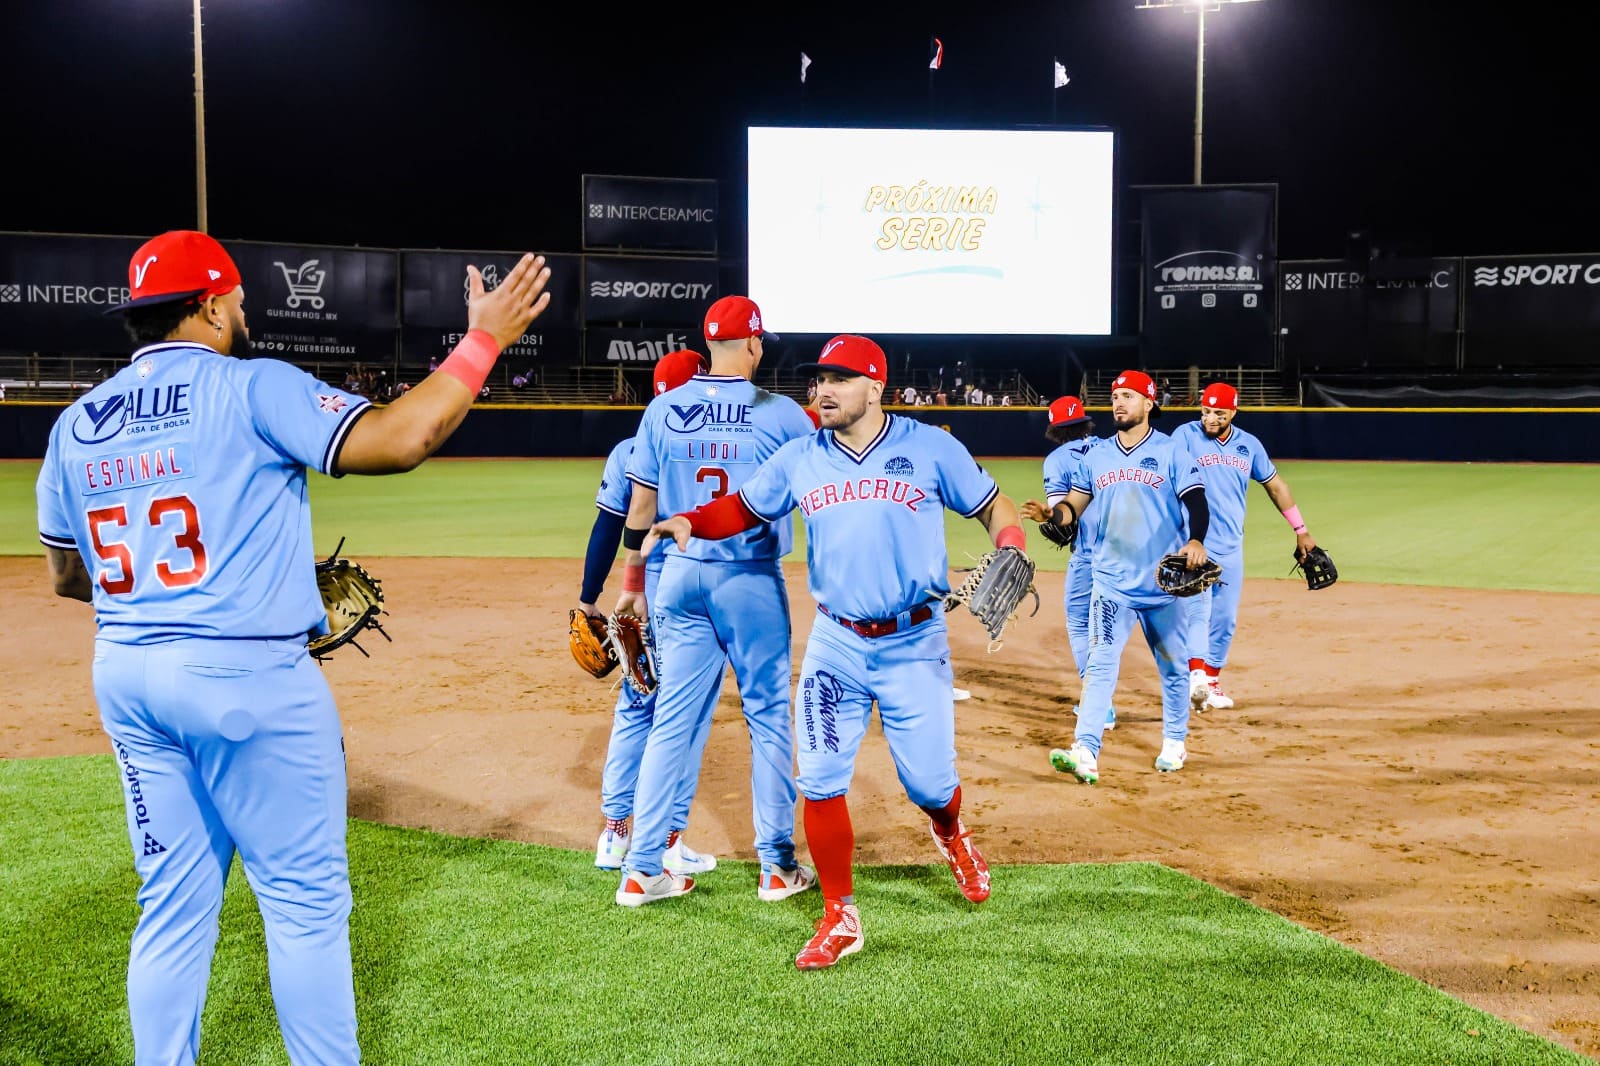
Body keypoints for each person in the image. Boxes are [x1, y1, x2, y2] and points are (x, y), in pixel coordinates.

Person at [34, 230, 550, 1065]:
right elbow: (401, 437)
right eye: (237, 301)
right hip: (245, 681)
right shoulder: (250, 385)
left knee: (170, 902)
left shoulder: (76, 422)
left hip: (127, 680)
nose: (244, 314)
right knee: (304, 903)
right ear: (208, 303)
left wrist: (221, 576)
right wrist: (484, 337)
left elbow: (67, 575)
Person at [648, 334, 1024, 970]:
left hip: (913, 643)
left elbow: (993, 506)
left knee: (929, 783)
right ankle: (839, 914)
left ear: (875, 387)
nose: (822, 390)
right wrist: (693, 521)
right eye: (818, 379)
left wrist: (1011, 541)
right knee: (819, 780)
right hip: (836, 643)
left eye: (839, 379)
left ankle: (950, 829)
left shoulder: (929, 448)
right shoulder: (801, 457)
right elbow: (742, 507)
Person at [611, 295, 817, 907]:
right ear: (753, 344)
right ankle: (776, 866)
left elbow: (641, 512)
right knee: (768, 720)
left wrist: (632, 586)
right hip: (748, 578)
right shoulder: (783, 416)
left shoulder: (664, 408)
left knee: (672, 722)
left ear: (708, 345)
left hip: (675, 577)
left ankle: (643, 869)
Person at [578, 348, 717, 875]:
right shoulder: (718, 441)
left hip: (644, 583)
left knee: (636, 705)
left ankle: (614, 834)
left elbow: (608, 527)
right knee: (688, 714)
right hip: (697, 586)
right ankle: (666, 840)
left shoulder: (629, 448)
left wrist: (589, 598)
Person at [1042, 370, 1211, 786]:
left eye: (1129, 396)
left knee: (1171, 669)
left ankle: (1174, 740)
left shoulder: (1172, 452)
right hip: (1110, 583)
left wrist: (1195, 541)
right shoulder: (1096, 456)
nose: (1119, 403)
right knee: (1100, 664)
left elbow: (1197, 501)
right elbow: (1074, 506)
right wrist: (1054, 516)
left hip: (1160, 586)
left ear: (1149, 403)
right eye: (1116, 396)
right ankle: (1086, 750)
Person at [1171, 382, 1321, 710]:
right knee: (1198, 613)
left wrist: (1301, 530)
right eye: (1206, 411)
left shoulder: (1249, 446)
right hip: (1194, 543)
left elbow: (1276, 487)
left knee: (1225, 621)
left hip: (1230, 546)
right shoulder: (1184, 436)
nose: (1210, 418)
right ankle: (1192, 678)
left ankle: (1210, 682)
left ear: (1233, 413)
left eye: (1218, 413)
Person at [1020, 396, 1116, 732]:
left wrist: (1052, 522)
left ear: (1054, 428)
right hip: (1127, 555)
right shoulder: (1110, 447)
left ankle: (1099, 707)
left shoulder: (1057, 459)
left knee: (1078, 623)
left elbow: (1059, 516)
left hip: (1090, 555)